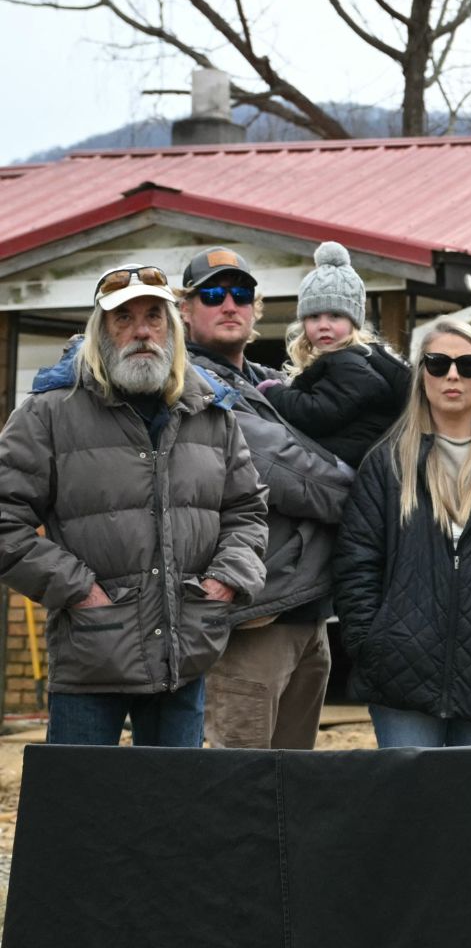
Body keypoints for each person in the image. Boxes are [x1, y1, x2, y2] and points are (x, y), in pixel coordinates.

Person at [0, 263, 267, 746]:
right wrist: (80, 591)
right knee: (83, 813)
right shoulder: (49, 412)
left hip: (184, 654)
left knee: (175, 812)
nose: (141, 331)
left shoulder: (211, 413)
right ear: (100, 332)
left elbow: (247, 511)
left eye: (153, 317)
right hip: (91, 656)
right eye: (123, 318)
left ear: (174, 328)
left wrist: (225, 580)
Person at [333, 317, 471, 748]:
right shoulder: (386, 465)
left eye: (468, 365)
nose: (453, 375)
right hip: (401, 677)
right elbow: (356, 565)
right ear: (421, 376)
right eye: (438, 364)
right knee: (410, 809)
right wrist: (372, 644)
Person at [179, 245, 355, 750]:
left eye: (242, 292)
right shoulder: (194, 384)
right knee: (242, 782)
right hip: (252, 619)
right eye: (212, 293)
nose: (229, 303)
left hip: (306, 611)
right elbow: (294, 473)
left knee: (292, 782)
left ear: (257, 308)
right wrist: (376, 494)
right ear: (186, 310)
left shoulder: (269, 383)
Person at [261, 242, 410, 468]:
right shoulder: (349, 360)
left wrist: (273, 392)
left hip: (350, 464)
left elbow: (317, 414)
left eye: (335, 316)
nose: (323, 325)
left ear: (353, 322)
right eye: (314, 317)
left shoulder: (350, 363)